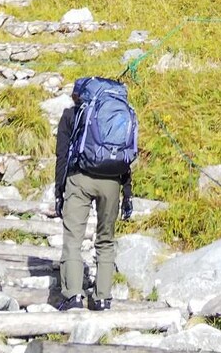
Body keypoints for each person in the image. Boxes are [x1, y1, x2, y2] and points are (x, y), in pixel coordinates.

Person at [52, 76, 137, 311]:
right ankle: (102, 298)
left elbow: (62, 156)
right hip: (112, 182)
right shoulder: (115, 114)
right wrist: (127, 193)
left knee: (73, 240)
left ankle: (73, 296)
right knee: (106, 240)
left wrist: (59, 190)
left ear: (76, 96)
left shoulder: (71, 116)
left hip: (80, 179)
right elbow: (126, 155)